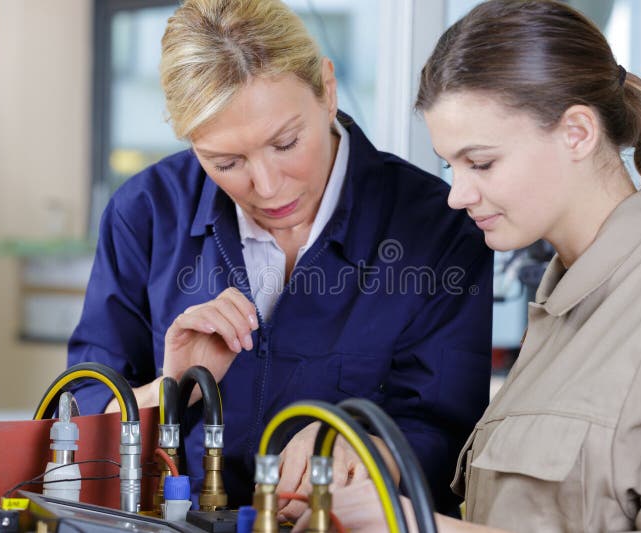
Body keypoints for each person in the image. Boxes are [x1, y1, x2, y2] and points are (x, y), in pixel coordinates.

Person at [312, 1, 641, 531]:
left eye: (481, 163)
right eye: (450, 165)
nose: (456, 195)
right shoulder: (562, 311)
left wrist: (417, 526)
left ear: (577, 132)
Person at [67, 0, 493, 514]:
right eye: (226, 162)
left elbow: (451, 432)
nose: (267, 187)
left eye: (287, 143)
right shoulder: (145, 215)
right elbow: (77, 423)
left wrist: (367, 449)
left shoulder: (438, 228)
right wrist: (171, 390)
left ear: (328, 91)